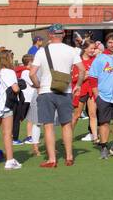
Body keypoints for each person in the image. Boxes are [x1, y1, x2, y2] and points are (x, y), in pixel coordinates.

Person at [31, 24, 82, 168]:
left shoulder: (42, 51)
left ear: (50, 35)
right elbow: (82, 70)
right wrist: (77, 85)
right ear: (63, 34)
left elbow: (32, 73)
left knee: (48, 126)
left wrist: (38, 85)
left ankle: (52, 159)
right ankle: (69, 156)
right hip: (64, 90)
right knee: (66, 124)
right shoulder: (71, 50)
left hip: (46, 90)